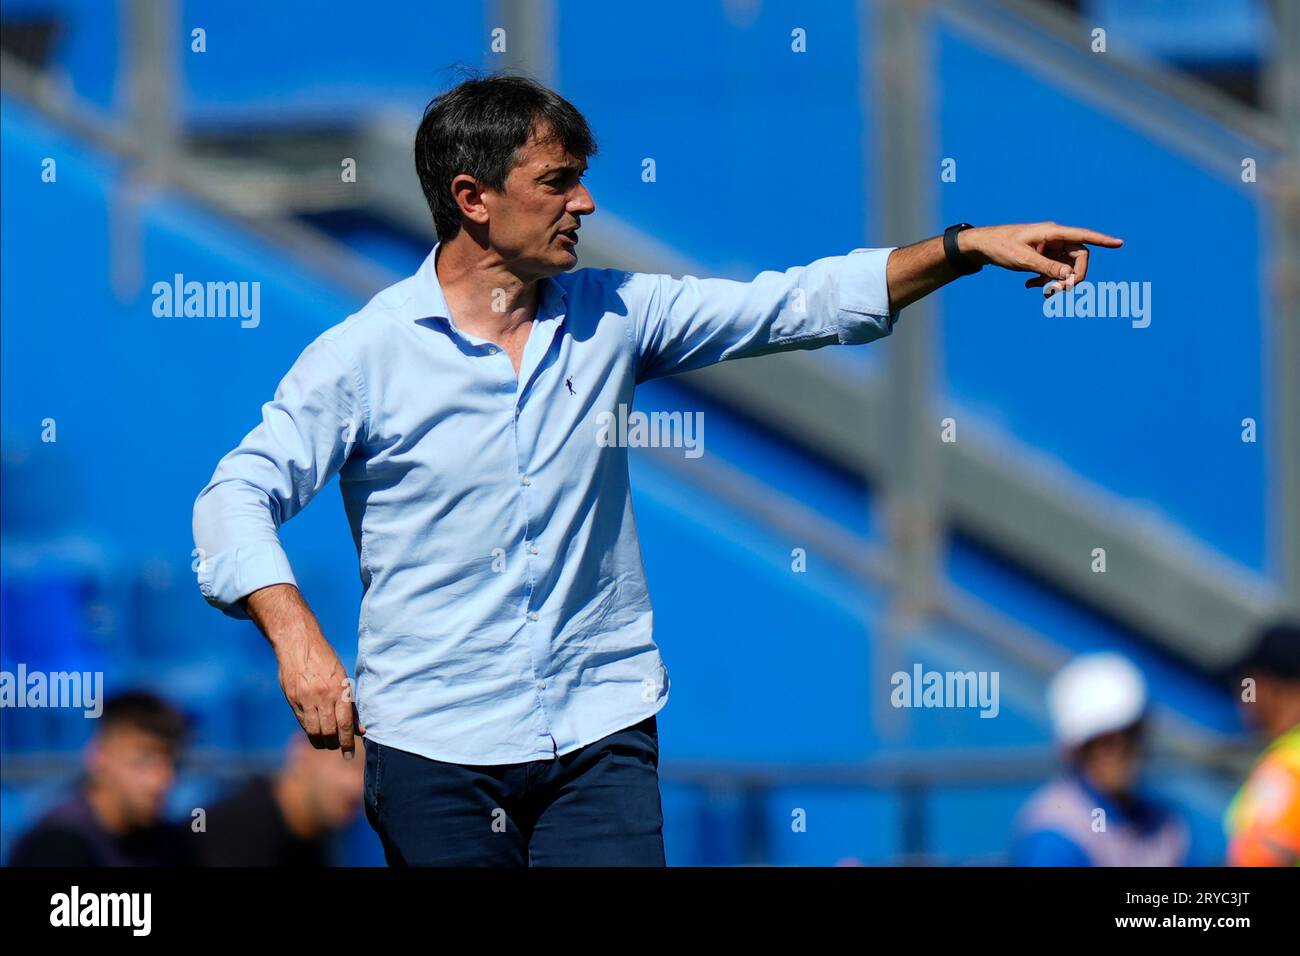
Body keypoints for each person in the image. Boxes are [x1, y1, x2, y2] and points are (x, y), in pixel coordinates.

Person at [192, 72, 1124, 866]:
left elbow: (793, 304)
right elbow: (235, 495)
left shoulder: (616, 313)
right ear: (473, 198)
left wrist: (962, 249)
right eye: (557, 184)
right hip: (435, 748)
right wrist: (297, 638)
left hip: (601, 730)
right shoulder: (365, 354)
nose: (584, 204)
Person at [1011, 653, 1189, 866]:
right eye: (1105, 742)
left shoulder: (1167, 826)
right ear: (1077, 751)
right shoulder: (1056, 834)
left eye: (1130, 734)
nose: (1122, 750)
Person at [9, 691, 193, 866]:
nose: (162, 779)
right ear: (98, 756)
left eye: (173, 764)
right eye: (144, 761)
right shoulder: (57, 845)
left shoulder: (171, 843)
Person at [192, 733, 364, 866]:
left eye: (369, 774)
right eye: (348, 763)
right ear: (302, 752)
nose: (358, 786)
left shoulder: (320, 844)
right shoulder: (225, 833)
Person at [1224, 618, 1300, 866]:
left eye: (1246, 684)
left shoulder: (1288, 768)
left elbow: (1261, 858)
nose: (1241, 697)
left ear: (1269, 687)